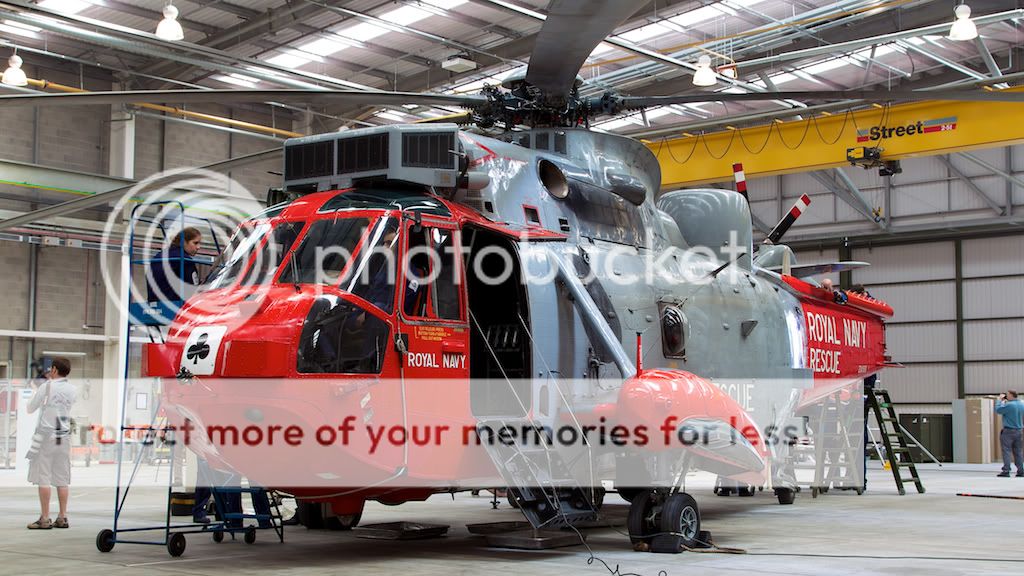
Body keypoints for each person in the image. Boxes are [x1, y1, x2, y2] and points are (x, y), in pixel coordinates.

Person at [26, 357, 77, 530]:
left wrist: (35, 392)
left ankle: (45, 518)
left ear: (54, 370)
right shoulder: (73, 390)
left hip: (47, 437)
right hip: (63, 437)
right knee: (62, 479)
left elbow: (30, 408)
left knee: (44, 477)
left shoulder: (46, 386)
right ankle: (62, 517)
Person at [148, 227, 202, 303]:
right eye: (195, 243)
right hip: (175, 305)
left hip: (153, 305)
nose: (198, 247)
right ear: (183, 242)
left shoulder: (159, 255)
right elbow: (193, 291)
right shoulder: (185, 260)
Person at [994, 390, 1023, 477]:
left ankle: (1006, 471)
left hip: (1008, 431)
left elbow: (998, 410)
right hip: (1019, 431)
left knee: (1006, 451)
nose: (1006, 396)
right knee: (1018, 452)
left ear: (1011, 395)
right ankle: (1021, 471)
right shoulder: (1021, 404)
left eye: (1007, 395)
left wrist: (999, 400)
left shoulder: (1010, 405)